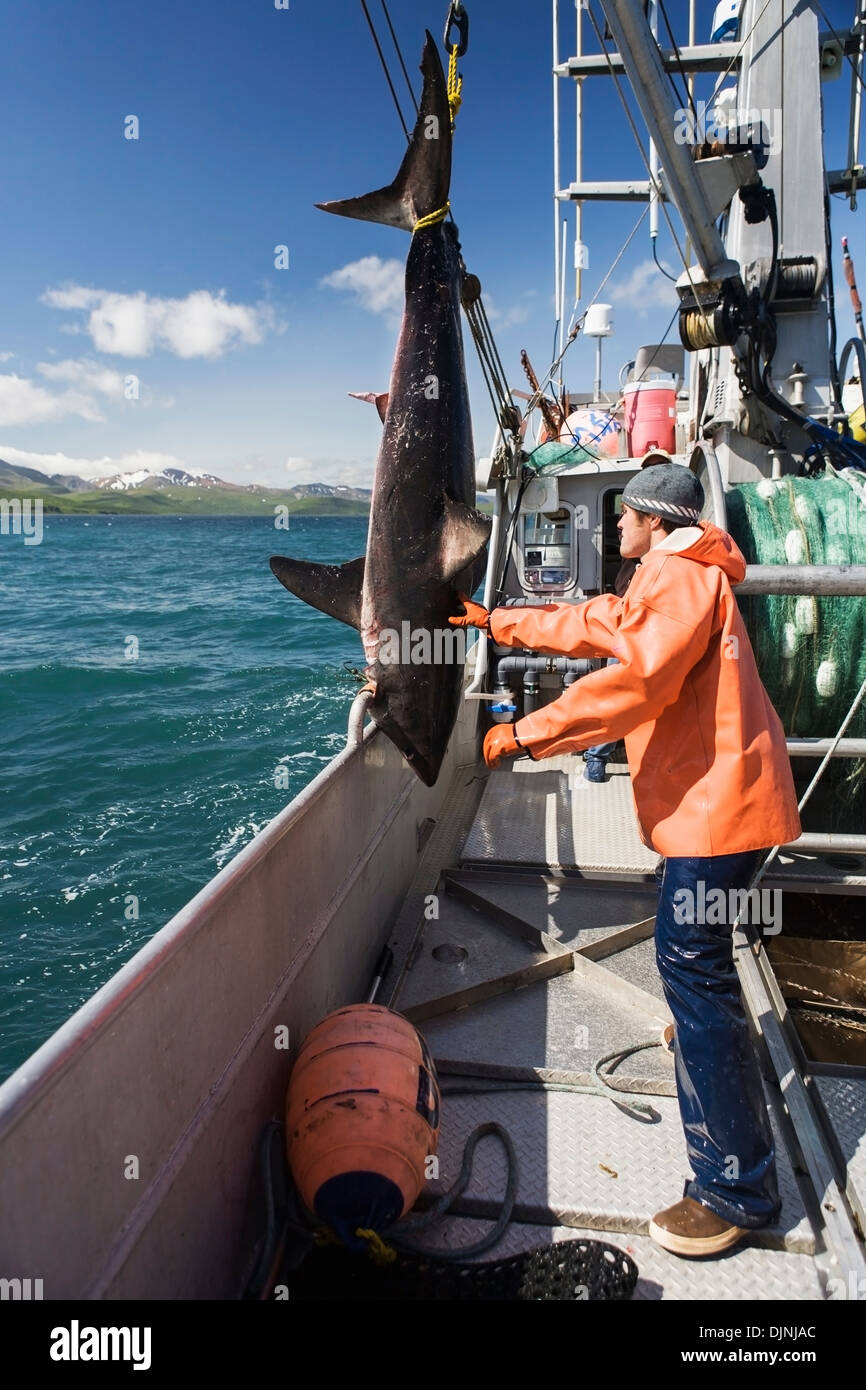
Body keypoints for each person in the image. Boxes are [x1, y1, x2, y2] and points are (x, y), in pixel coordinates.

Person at [450, 462, 802, 1258]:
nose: (613, 527)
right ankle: (710, 1052)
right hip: (730, 801)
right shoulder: (671, 572)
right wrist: (501, 622)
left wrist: (528, 734)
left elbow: (634, 681)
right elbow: (603, 622)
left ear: (652, 517)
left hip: (724, 812)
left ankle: (735, 1192)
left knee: (692, 967)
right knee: (698, 969)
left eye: (623, 517)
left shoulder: (678, 576)